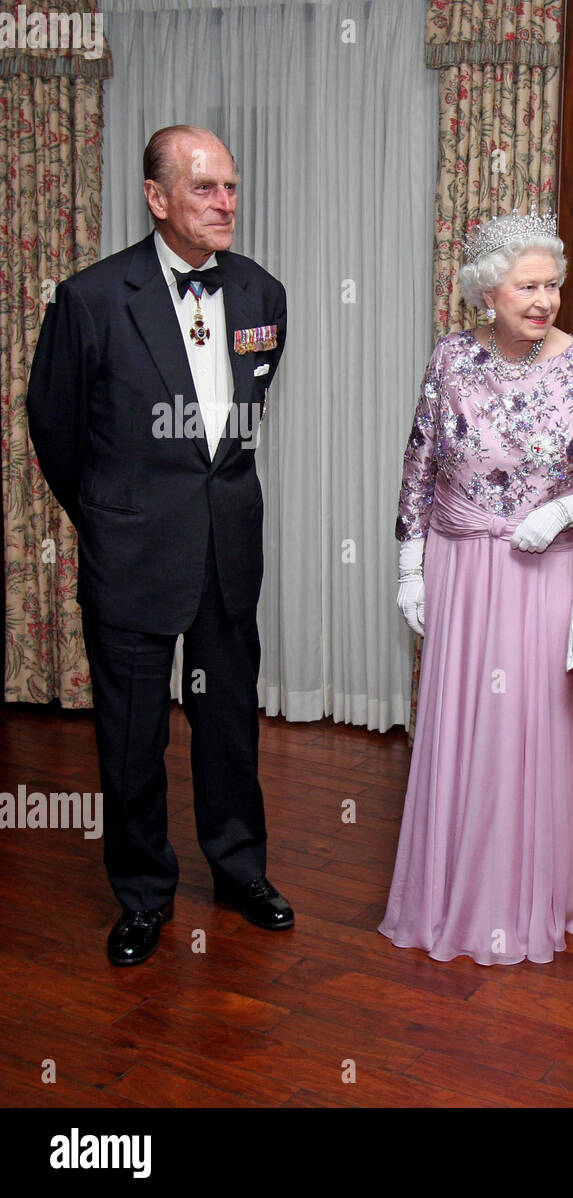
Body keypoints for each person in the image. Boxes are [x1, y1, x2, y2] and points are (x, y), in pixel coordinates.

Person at [26, 125, 293, 965]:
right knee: (132, 737)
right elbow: (55, 429)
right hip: (132, 553)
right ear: (157, 198)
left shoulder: (262, 294)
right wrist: (110, 514)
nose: (227, 204)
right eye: (207, 188)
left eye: (232, 187)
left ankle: (240, 871)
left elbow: (234, 429)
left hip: (227, 551)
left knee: (228, 727)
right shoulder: (92, 298)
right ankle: (143, 894)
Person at [379, 211, 573, 966]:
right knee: (461, 728)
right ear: (487, 292)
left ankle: (530, 896)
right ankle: (448, 895)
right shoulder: (451, 359)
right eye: (527, 286)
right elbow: (420, 467)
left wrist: (569, 506)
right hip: (462, 569)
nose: (544, 299)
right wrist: (409, 565)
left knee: (531, 729)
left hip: (541, 572)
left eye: (552, 284)